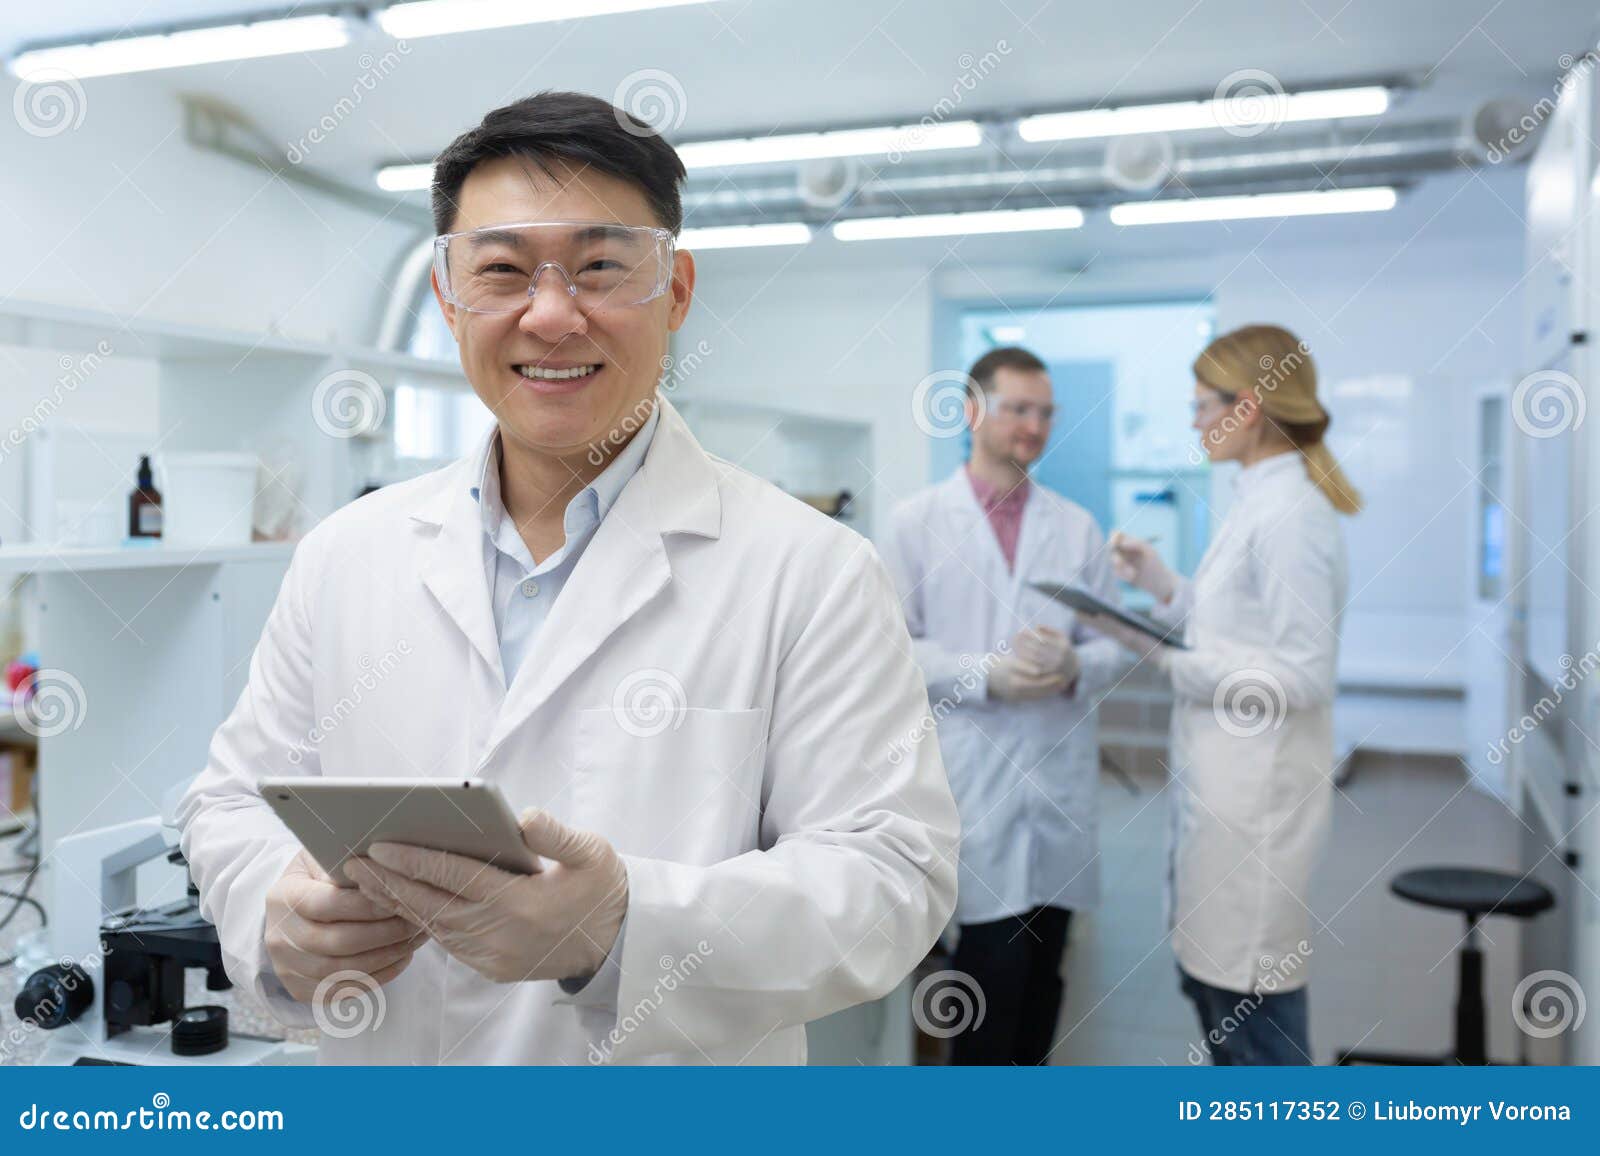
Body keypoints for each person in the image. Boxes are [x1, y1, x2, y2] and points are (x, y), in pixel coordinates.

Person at [177, 91, 959, 1065]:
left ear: (675, 293)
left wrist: (624, 927)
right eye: (502, 271)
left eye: (599, 268)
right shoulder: (345, 554)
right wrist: (274, 910)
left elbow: (892, 875)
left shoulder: (812, 570)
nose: (550, 315)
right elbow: (230, 800)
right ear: (448, 298)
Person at [1081, 324, 1360, 1065]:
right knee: (1219, 1003)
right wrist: (1160, 585)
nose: (1195, 421)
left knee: (1255, 1026)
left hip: (1256, 806)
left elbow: (1304, 673)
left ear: (1248, 407)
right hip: (1225, 792)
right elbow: (1234, 625)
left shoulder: (1291, 514)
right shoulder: (1257, 499)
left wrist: (1166, 659)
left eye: (1201, 405)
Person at [882, 347, 1130, 1065]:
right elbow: (891, 651)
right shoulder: (916, 522)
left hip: (1057, 784)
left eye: (1045, 412)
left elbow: (1117, 645)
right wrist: (987, 676)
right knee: (987, 981)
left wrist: (1076, 663)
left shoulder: (1075, 526)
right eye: (1018, 408)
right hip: (971, 781)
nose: (1034, 425)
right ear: (970, 411)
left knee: (1046, 979)